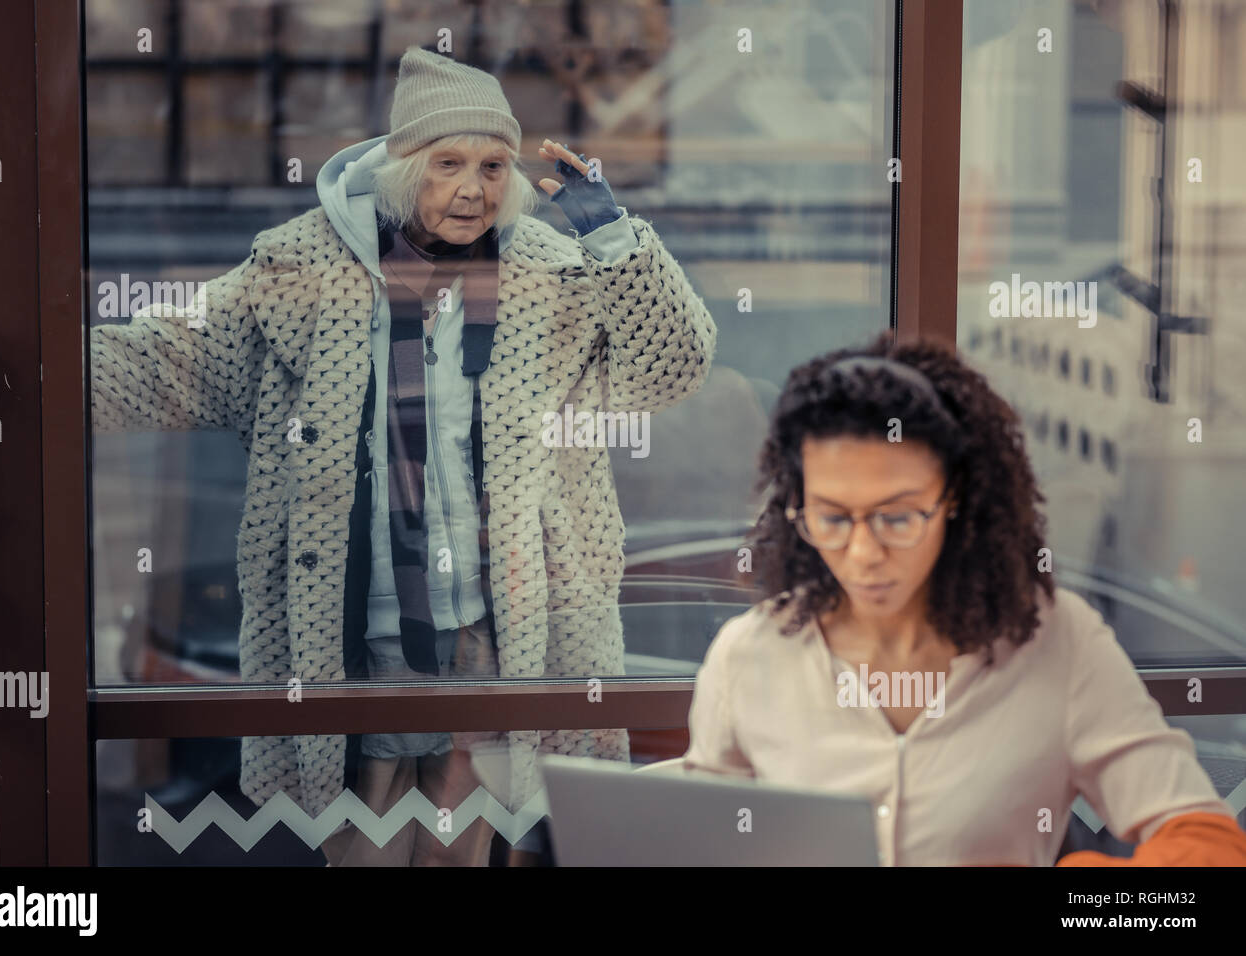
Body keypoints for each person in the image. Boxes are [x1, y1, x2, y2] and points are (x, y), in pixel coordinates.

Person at [91, 45, 717, 865]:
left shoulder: (557, 276)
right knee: (364, 852)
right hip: (362, 636)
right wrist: (19, 375)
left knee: (465, 853)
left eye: (494, 165)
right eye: (448, 162)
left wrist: (613, 238)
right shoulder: (298, 267)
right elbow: (162, 360)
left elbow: (675, 362)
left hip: (499, 636)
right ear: (400, 166)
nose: (473, 188)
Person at [682, 332, 1246, 866]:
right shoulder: (748, 655)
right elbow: (697, 844)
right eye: (831, 517)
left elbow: (1201, 835)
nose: (862, 553)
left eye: (898, 517)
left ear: (955, 499)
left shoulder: (1058, 642)